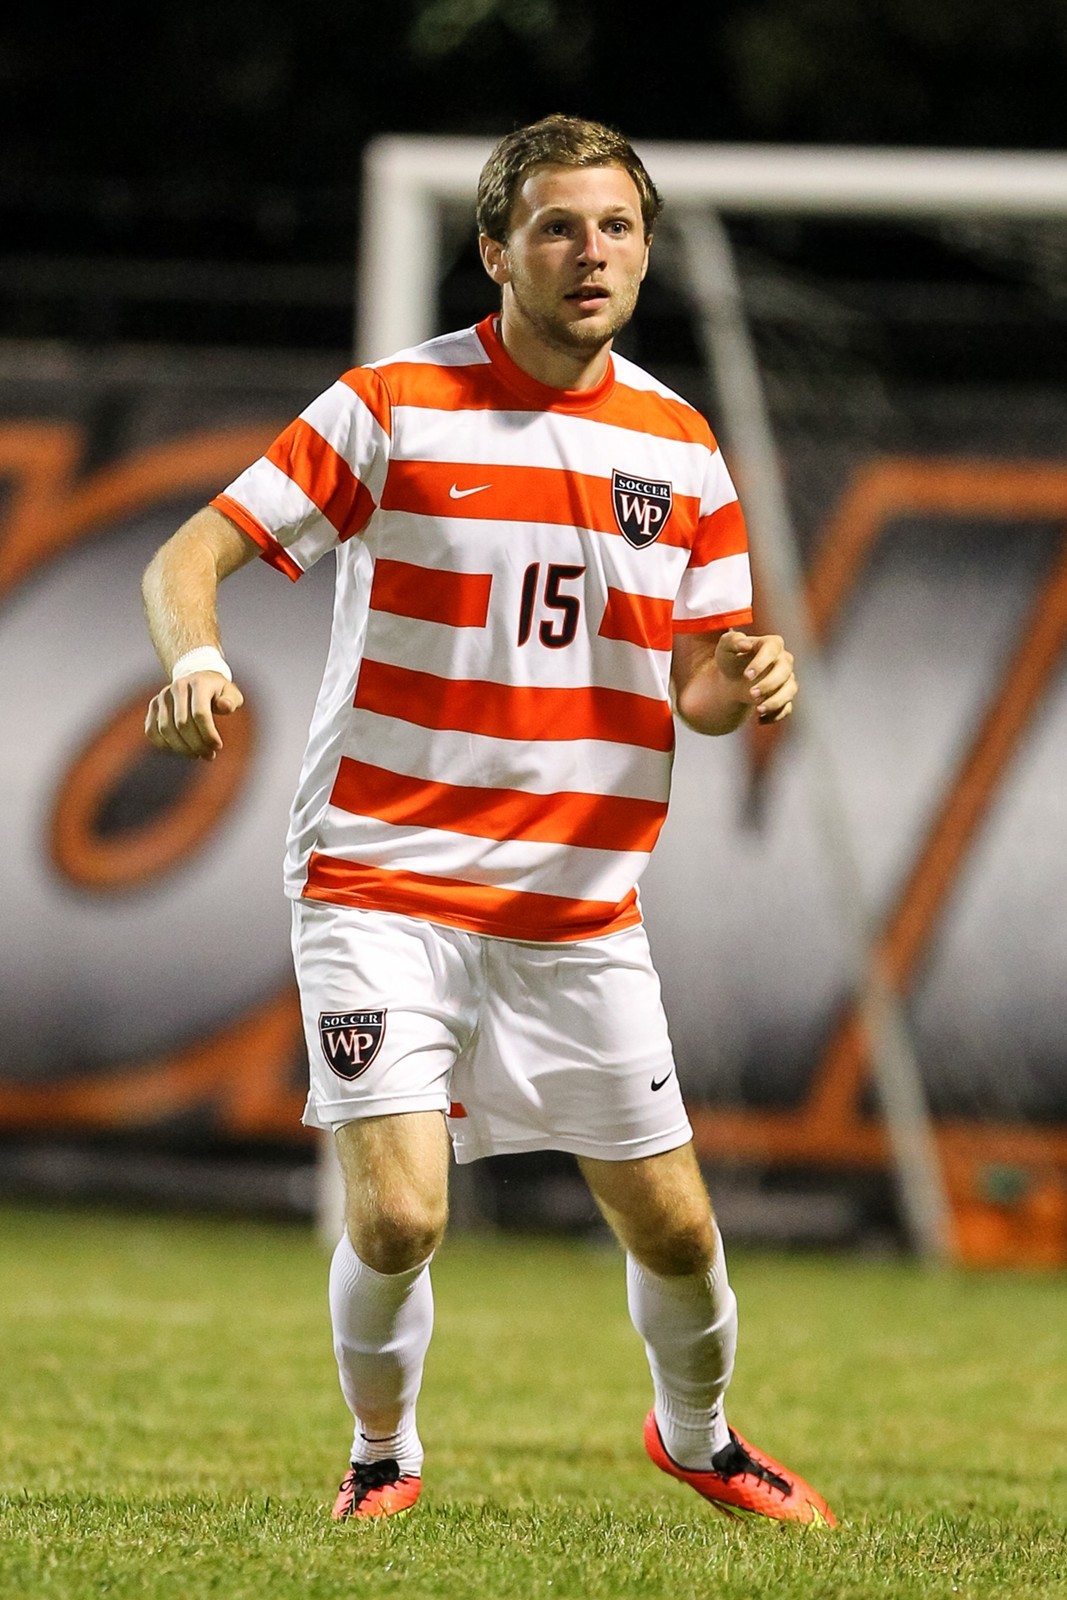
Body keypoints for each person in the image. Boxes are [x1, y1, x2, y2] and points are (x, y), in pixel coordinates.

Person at [142, 113, 836, 1529]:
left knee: (680, 1225)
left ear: (646, 249)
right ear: (495, 248)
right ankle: (383, 1452)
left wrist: (744, 674)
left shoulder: (681, 449)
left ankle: (698, 1437)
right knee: (400, 1213)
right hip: (378, 878)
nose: (594, 255)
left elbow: (701, 686)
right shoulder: (391, 407)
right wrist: (196, 659)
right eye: (562, 228)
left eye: (619, 228)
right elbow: (188, 554)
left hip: (578, 906)